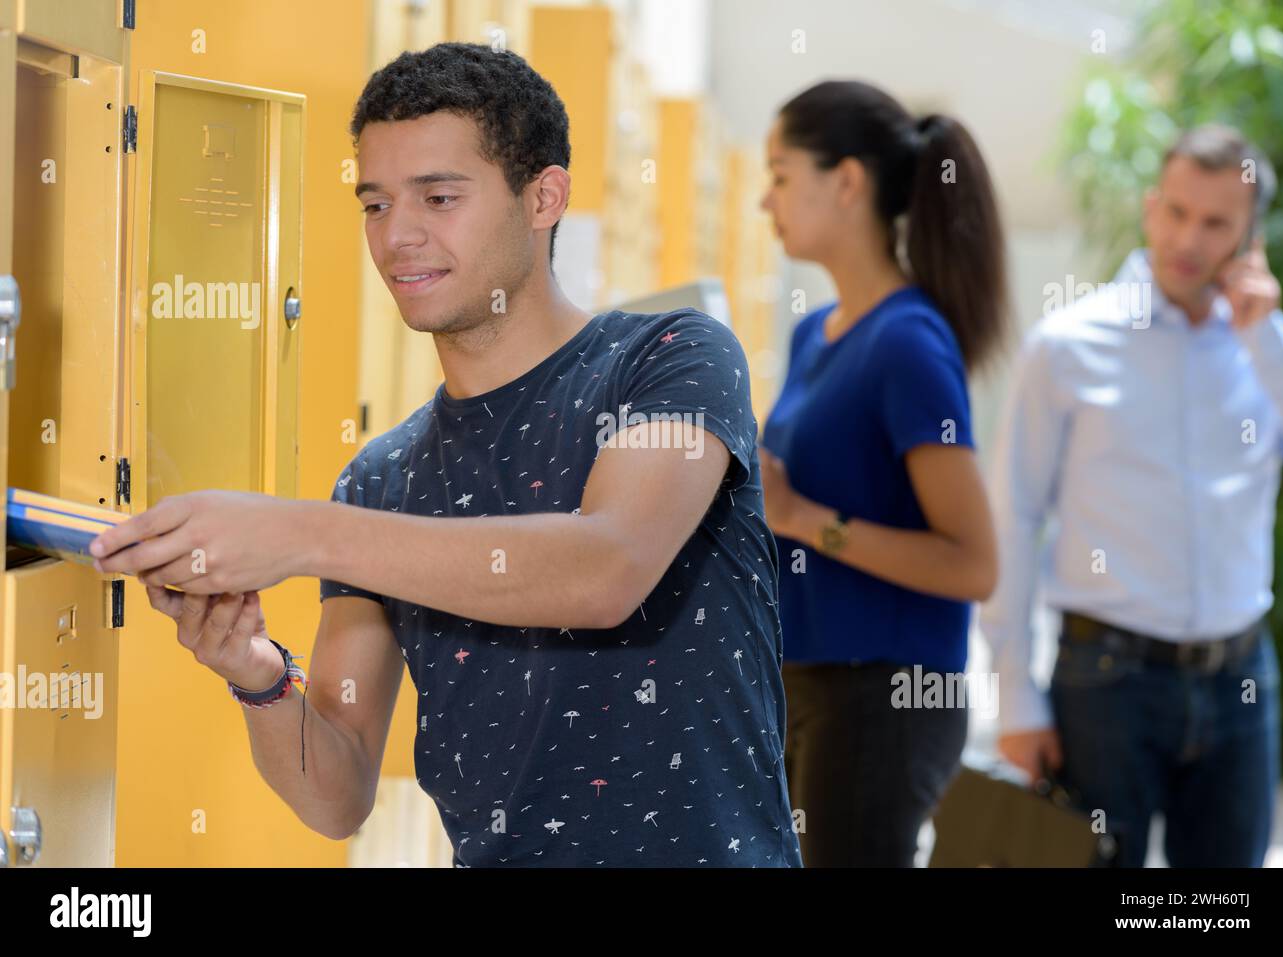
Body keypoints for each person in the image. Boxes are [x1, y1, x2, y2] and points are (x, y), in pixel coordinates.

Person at [90, 42, 802, 868]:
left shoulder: (671, 359)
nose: (398, 237)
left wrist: (299, 532)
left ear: (544, 197)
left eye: (438, 196)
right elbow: (338, 790)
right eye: (375, 204)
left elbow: (606, 566)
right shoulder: (381, 480)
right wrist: (255, 674)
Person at [983, 123, 1283, 867]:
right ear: (1152, 207)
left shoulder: (1273, 352)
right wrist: (1016, 699)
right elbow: (1014, 514)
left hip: (1239, 678)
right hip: (1105, 681)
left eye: (1217, 222)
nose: (1188, 238)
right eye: (1177, 211)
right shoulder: (1066, 344)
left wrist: (1266, 340)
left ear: (1250, 237)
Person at [756, 80, 1005, 866]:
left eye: (781, 174)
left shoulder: (907, 343)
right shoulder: (812, 335)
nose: (767, 200)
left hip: (885, 694)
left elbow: (974, 562)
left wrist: (801, 517)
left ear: (848, 181)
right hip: (807, 681)